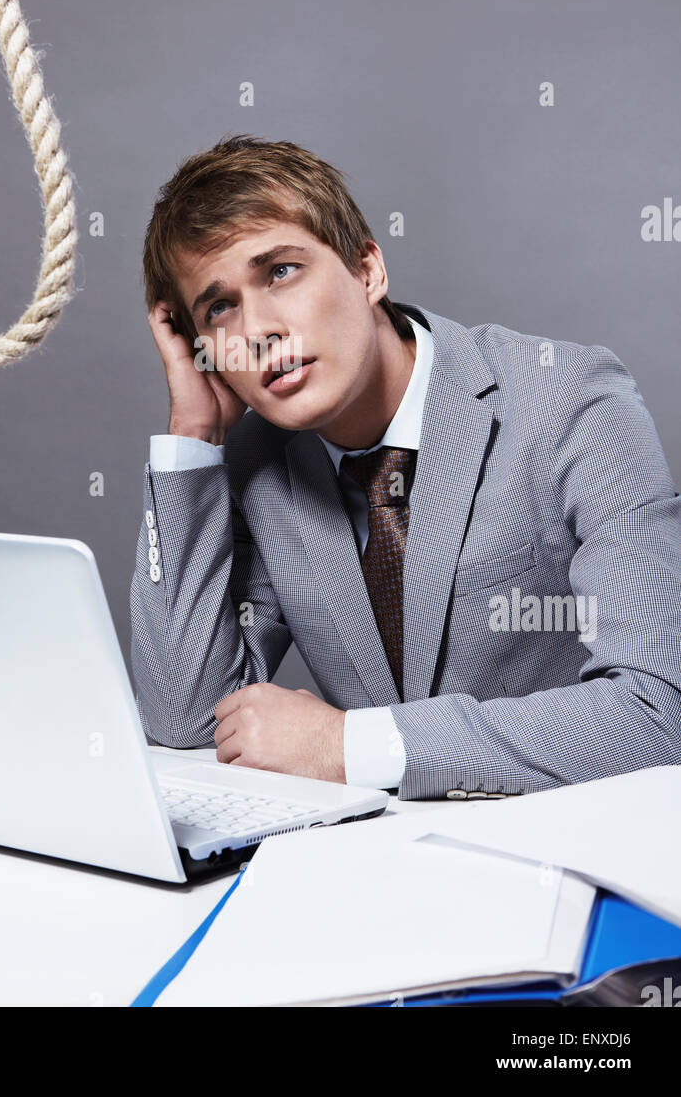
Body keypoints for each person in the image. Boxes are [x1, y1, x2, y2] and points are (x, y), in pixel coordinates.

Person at [130, 134, 681, 800]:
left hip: (576, 855)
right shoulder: (259, 467)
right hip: (385, 872)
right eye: (220, 307)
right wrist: (194, 437)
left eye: (279, 271)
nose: (258, 331)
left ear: (368, 272)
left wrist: (350, 746)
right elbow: (186, 718)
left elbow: (660, 712)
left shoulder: (571, 401)